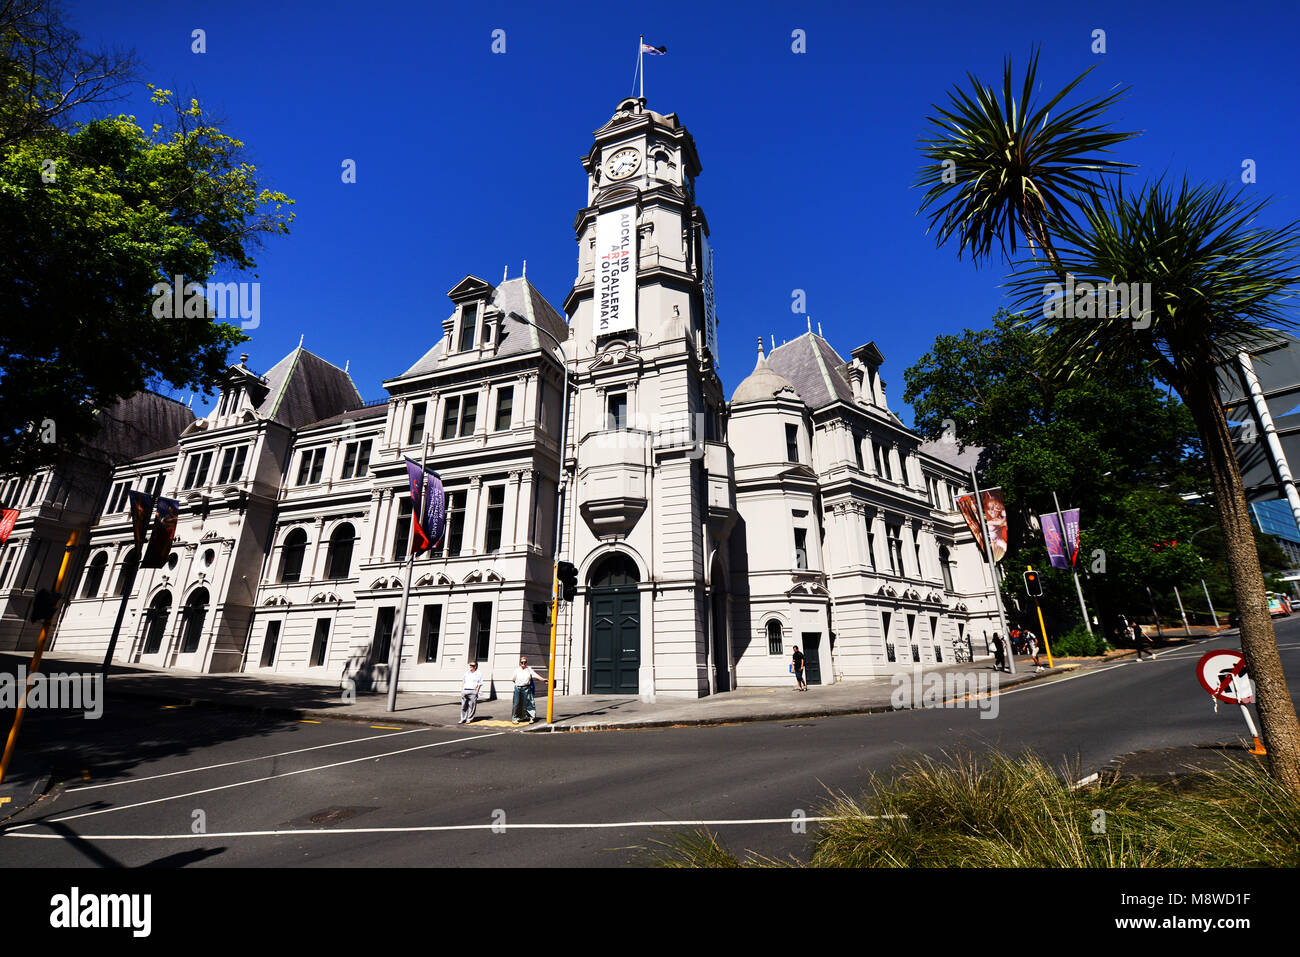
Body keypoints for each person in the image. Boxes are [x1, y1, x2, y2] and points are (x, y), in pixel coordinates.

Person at [512, 656, 545, 724]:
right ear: (520, 663)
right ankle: (515, 718)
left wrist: (543, 679)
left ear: (526, 663)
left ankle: (531, 717)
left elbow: (535, 675)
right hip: (518, 688)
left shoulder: (529, 669)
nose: (523, 663)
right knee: (517, 703)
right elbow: (513, 679)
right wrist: (519, 684)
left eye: (525, 662)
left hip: (527, 687)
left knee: (530, 702)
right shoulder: (517, 670)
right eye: (522, 662)